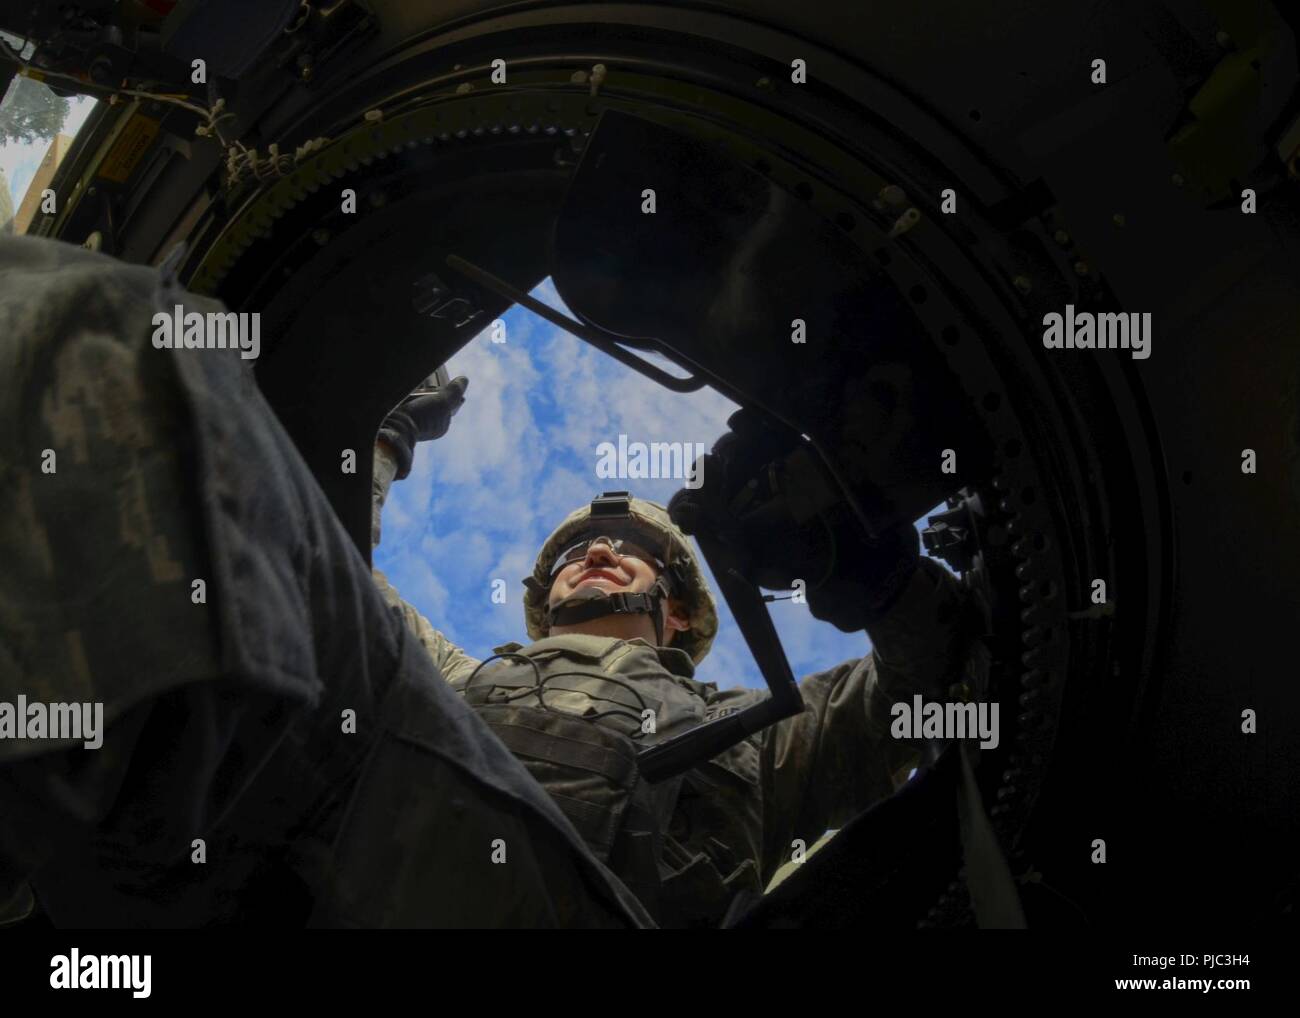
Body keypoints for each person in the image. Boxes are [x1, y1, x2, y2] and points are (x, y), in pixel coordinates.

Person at [0, 232, 972, 929]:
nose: (592, 552)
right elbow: (309, 570)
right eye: (572, 552)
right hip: (340, 825)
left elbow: (934, 691)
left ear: (676, 605)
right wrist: (382, 439)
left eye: (626, 549)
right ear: (544, 595)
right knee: (115, 323)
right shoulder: (456, 678)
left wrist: (874, 574)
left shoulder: (770, 734)